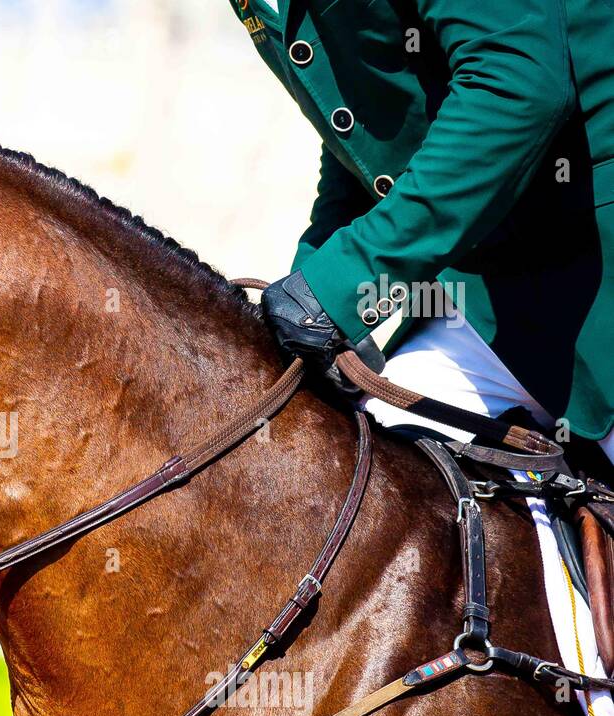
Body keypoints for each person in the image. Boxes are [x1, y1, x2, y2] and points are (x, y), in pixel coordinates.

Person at [230, 0, 613, 464]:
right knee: (356, 473)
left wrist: (344, 283)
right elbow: (369, 120)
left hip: (596, 255)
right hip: (485, 303)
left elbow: (516, 84)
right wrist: (314, 287)